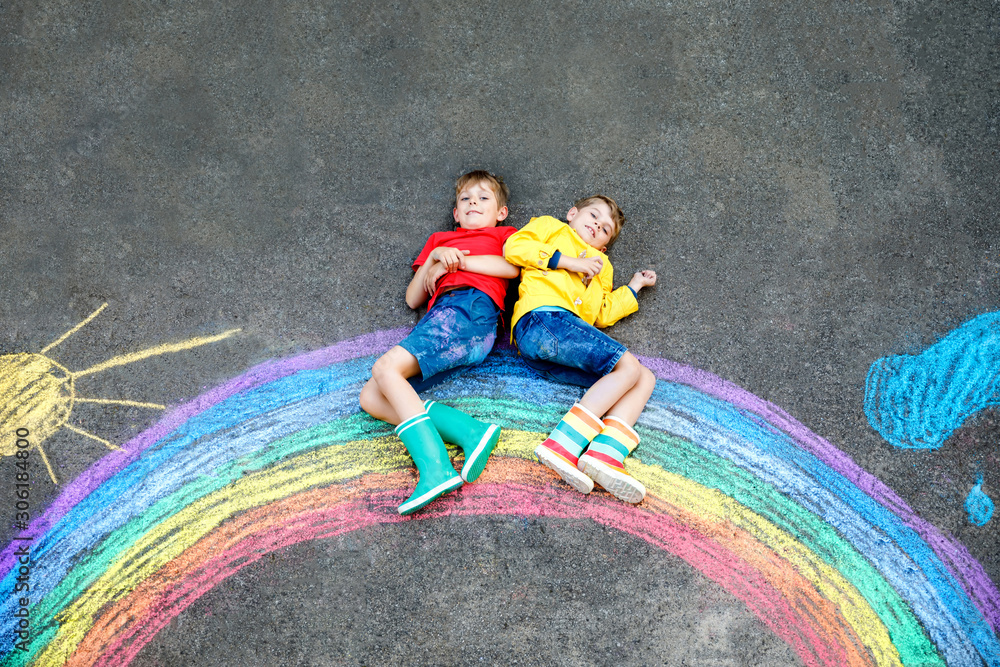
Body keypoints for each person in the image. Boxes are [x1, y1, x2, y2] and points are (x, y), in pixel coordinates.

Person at [360, 170, 520, 515]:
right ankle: (470, 431)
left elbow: (512, 268)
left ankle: (435, 468)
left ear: (501, 213)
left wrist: (458, 262)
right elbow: (413, 298)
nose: (473, 203)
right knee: (372, 396)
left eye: (483, 199)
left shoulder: (504, 236)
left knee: (386, 368)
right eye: (465, 200)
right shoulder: (440, 241)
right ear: (456, 214)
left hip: (469, 311)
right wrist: (436, 258)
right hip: (445, 321)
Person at [504, 195, 657, 503]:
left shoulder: (602, 266)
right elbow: (514, 247)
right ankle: (562, 445)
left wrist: (633, 288)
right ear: (572, 213)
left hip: (555, 346)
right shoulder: (550, 227)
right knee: (627, 365)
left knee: (642, 378)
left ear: (603, 246)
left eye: (604, 229)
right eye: (593, 215)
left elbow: (600, 314)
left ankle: (605, 455)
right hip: (543, 320)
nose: (596, 225)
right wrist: (571, 262)